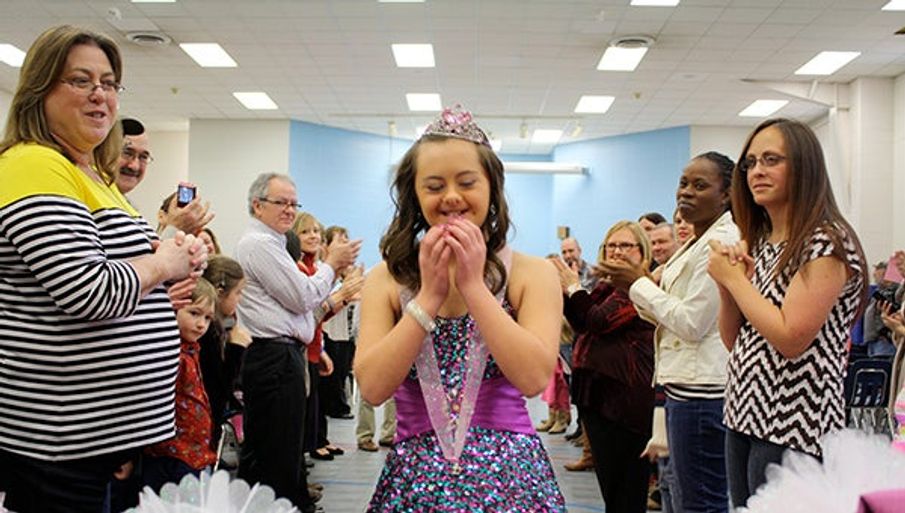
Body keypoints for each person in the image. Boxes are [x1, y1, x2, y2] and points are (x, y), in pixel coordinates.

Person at [0, 25, 207, 513]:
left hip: (94, 440)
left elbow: (118, 268)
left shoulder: (88, 172)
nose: (100, 95)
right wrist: (162, 262)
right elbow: (89, 291)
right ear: (40, 90)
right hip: (55, 438)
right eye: (80, 80)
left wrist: (171, 265)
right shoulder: (33, 164)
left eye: (109, 83)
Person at [355, 105, 566, 511]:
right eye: (434, 186)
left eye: (467, 182)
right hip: (415, 482)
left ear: (491, 188)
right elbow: (373, 388)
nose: (451, 196)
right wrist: (428, 298)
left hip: (511, 482)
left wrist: (474, 287)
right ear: (415, 197)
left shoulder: (532, 273)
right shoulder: (387, 278)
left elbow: (533, 378)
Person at [708, 118, 867, 509]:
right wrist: (729, 285)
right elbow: (736, 340)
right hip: (745, 413)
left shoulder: (825, 241)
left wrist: (737, 281)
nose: (757, 171)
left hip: (795, 423)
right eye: (751, 163)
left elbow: (791, 338)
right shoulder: (762, 241)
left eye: (772, 160)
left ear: (803, 167)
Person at [601, 151, 739, 513]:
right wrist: (637, 286)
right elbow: (665, 312)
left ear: (725, 194)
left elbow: (692, 323)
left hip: (702, 393)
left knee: (700, 503)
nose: (686, 193)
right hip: (682, 387)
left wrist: (639, 284)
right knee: (677, 494)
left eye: (699, 185)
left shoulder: (719, 243)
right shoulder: (695, 241)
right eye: (683, 183)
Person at [234, 173, 359, 513]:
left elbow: (299, 308)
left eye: (294, 203)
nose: (290, 210)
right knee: (275, 449)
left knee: (284, 446)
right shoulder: (259, 244)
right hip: (272, 355)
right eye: (281, 202)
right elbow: (301, 296)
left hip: (285, 353)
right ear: (257, 206)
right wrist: (332, 265)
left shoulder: (272, 243)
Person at [555, 221, 656, 513]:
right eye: (611, 245)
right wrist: (565, 290)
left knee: (626, 492)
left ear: (641, 251)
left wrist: (573, 286)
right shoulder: (606, 286)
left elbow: (599, 321)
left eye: (625, 246)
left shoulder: (639, 287)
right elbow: (582, 321)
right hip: (599, 400)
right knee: (613, 490)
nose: (617, 252)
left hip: (624, 403)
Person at [143, 279, 219, 492]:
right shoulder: (171, 353)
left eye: (207, 318)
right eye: (194, 313)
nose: (201, 324)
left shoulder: (192, 350)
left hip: (195, 452)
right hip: (171, 454)